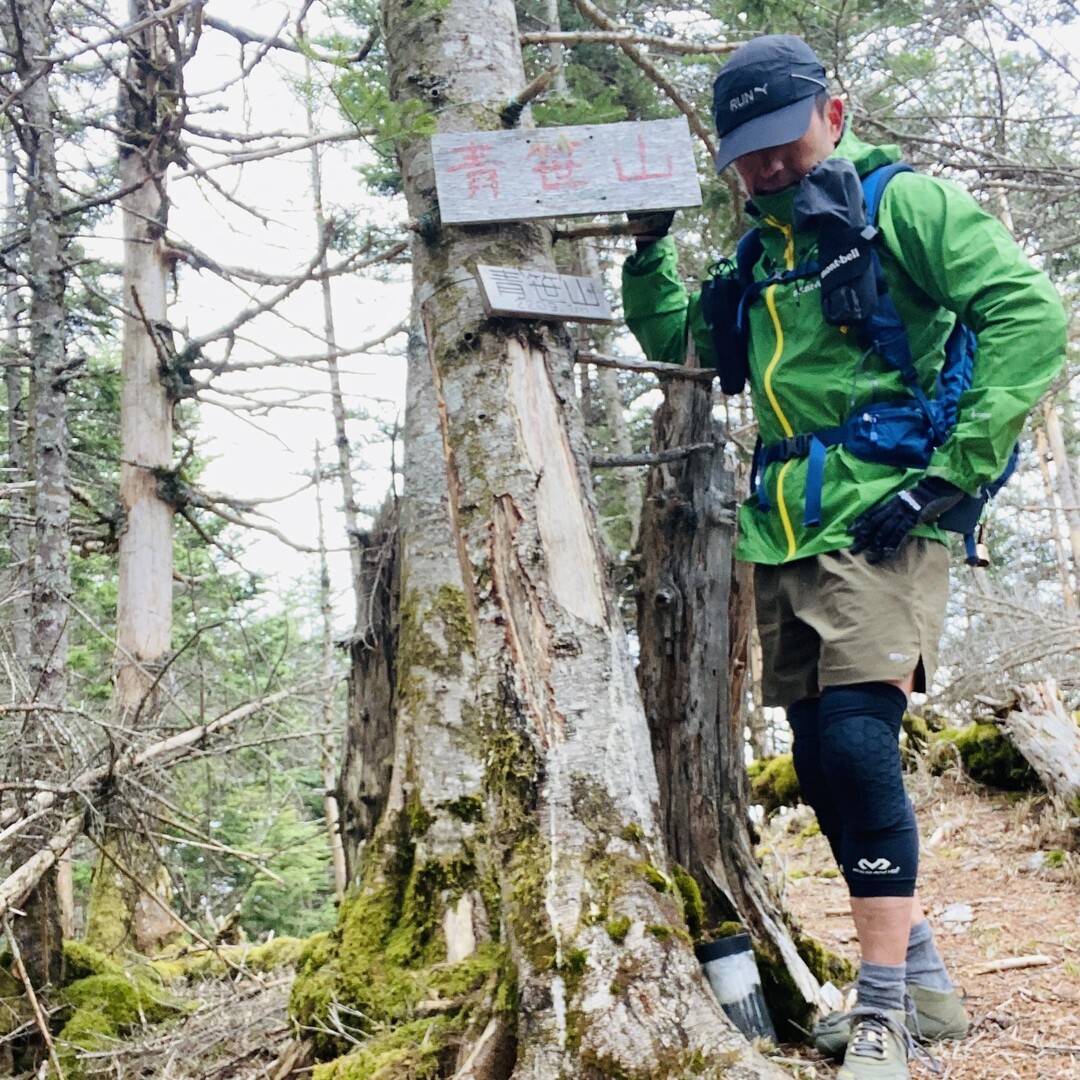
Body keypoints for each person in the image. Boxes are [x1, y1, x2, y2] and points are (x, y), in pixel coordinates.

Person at [622, 33, 1067, 1080]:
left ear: (834, 110)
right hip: (786, 526)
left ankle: (882, 1019)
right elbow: (685, 343)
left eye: (784, 141)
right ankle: (921, 976)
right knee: (821, 761)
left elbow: (1028, 312)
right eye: (748, 152)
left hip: (886, 515)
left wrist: (952, 474)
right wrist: (646, 251)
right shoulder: (762, 251)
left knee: (862, 749)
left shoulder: (897, 204)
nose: (770, 165)